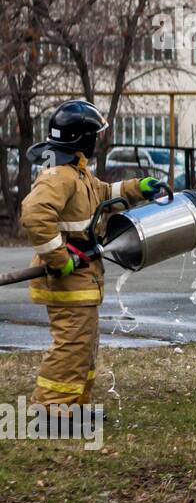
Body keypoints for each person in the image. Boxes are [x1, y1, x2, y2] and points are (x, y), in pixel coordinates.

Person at [20, 100, 163, 412]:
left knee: (83, 350)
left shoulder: (78, 174)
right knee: (71, 348)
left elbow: (104, 195)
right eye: (94, 135)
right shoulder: (59, 175)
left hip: (81, 282)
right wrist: (60, 259)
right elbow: (34, 214)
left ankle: (74, 408)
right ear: (81, 138)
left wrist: (138, 187)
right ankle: (50, 413)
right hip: (67, 282)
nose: (98, 140)